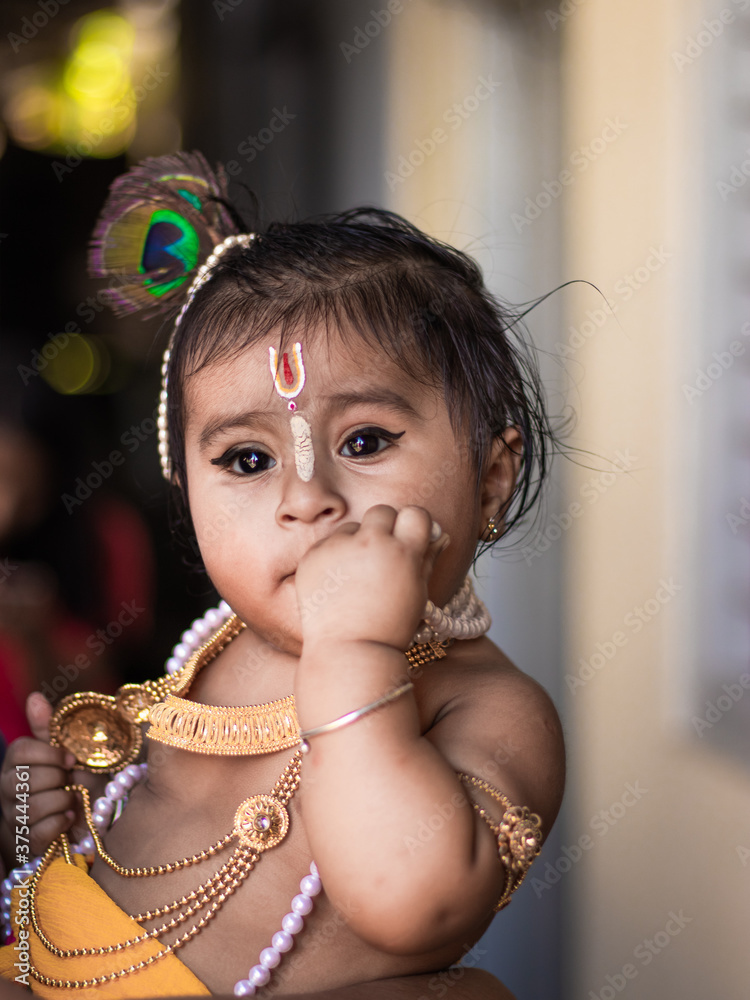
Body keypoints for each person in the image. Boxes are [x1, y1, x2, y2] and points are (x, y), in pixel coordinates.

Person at [0, 152, 565, 999]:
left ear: (490, 476)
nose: (307, 497)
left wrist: (358, 650)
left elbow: (415, 904)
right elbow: (141, 834)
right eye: (248, 458)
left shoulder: (486, 705)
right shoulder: (213, 651)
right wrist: (36, 816)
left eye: (366, 441)